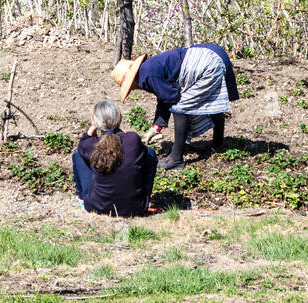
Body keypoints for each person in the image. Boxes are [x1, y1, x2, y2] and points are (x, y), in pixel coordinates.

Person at [111, 43, 239, 169]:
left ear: (132, 79)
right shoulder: (148, 68)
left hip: (208, 63)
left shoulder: (146, 76)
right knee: (208, 102)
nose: (133, 90)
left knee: (179, 107)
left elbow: (171, 98)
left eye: (130, 87)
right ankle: (218, 143)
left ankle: (176, 157)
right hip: (212, 54)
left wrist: (159, 124)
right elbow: (164, 97)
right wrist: (156, 127)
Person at [71, 100, 157, 217]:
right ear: (119, 118)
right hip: (136, 208)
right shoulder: (132, 140)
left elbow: (83, 145)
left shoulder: (90, 145)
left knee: (78, 155)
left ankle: (83, 199)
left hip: (97, 207)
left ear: (95, 122)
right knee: (149, 152)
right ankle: (142, 197)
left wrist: (91, 129)